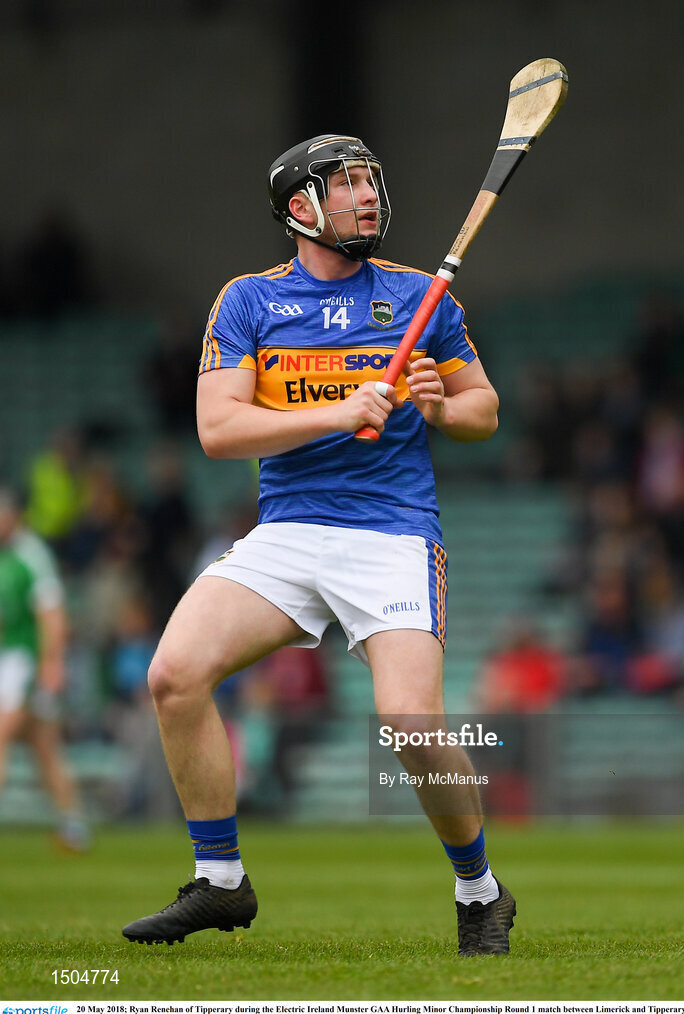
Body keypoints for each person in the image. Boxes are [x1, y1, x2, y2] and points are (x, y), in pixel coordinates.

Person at [121, 135, 513, 956]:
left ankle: (479, 890)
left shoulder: (418, 295)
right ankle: (221, 883)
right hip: (289, 531)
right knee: (174, 675)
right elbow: (219, 429)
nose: (367, 197)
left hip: (391, 531)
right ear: (300, 207)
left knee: (409, 719)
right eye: (345, 186)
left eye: (370, 181)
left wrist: (439, 405)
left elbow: (485, 412)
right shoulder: (248, 302)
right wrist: (338, 412)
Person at [0, 485, 90, 852]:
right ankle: (74, 825)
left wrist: (52, 663)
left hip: (23, 662)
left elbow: (52, 615)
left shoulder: (30, 555)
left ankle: (74, 824)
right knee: (45, 747)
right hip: (12, 660)